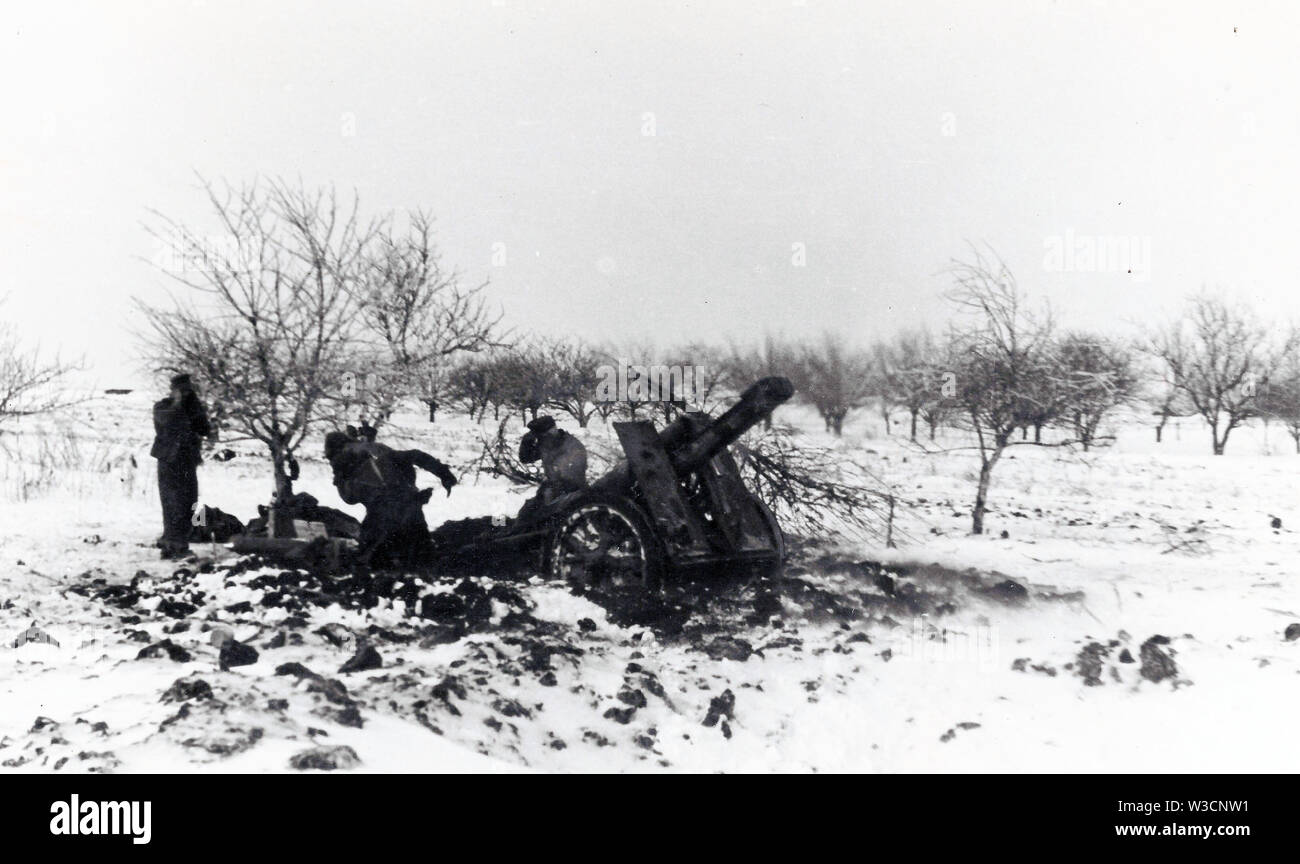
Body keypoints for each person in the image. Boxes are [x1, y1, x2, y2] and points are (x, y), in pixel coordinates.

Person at [324, 431, 458, 569]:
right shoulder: (378, 451)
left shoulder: (343, 465)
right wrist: (444, 474)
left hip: (380, 520)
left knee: (370, 564)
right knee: (423, 560)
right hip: (410, 511)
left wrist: (339, 477)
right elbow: (415, 455)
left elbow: (350, 498)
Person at [150, 374, 214, 559]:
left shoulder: (191, 407)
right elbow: (168, 422)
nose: (186, 394)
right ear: (173, 390)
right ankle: (174, 545)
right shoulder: (162, 407)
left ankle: (174, 540)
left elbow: (204, 429)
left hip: (187, 460)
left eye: (188, 391)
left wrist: (195, 408)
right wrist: (178, 403)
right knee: (173, 502)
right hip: (169, 460)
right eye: (182, 390)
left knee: (188, 501)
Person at [516, 416, 587, 521]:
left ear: (551, 431)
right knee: (526, 514)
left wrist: (551, 490)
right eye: (539, 438)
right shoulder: (547, 443)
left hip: (572, 492)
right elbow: (526, 458)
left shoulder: (572, 445)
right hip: (552, 488)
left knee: (543, 519)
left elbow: (574, 476)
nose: (540, 441)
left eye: (542, 437)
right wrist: (527, 442)